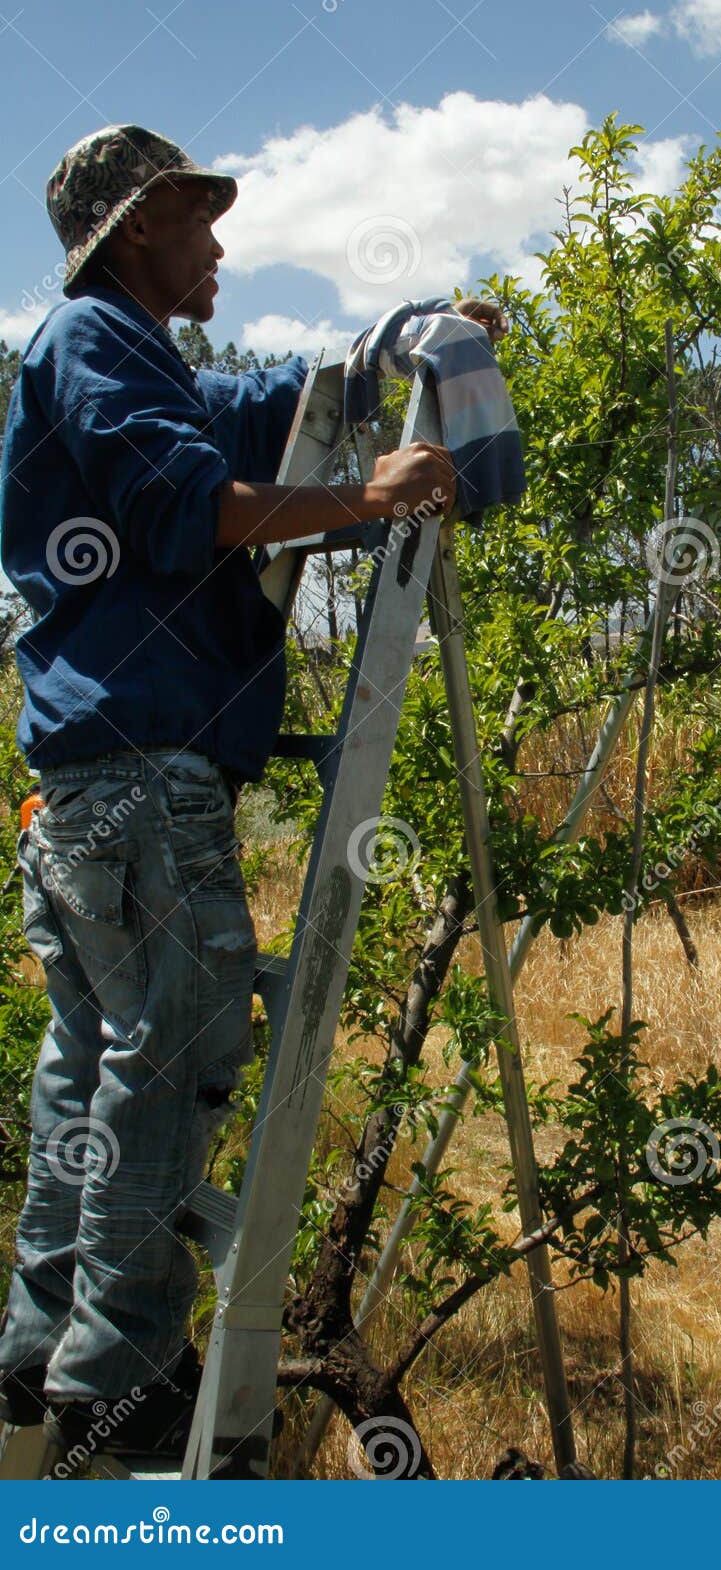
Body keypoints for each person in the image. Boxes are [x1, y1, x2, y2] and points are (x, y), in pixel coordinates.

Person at [0, 124, 458, 1460]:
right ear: (139, 225)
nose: (218, 241)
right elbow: (181, 505)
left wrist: (382, 348)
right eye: (199, 217)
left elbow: (240, 412)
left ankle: (43, 1347)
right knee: (174, 1053)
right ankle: (125, 1370)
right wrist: (363, 496)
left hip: (94, 784)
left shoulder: (128, 354)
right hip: (144, 778)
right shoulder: (93, 341)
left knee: (91, 1064)